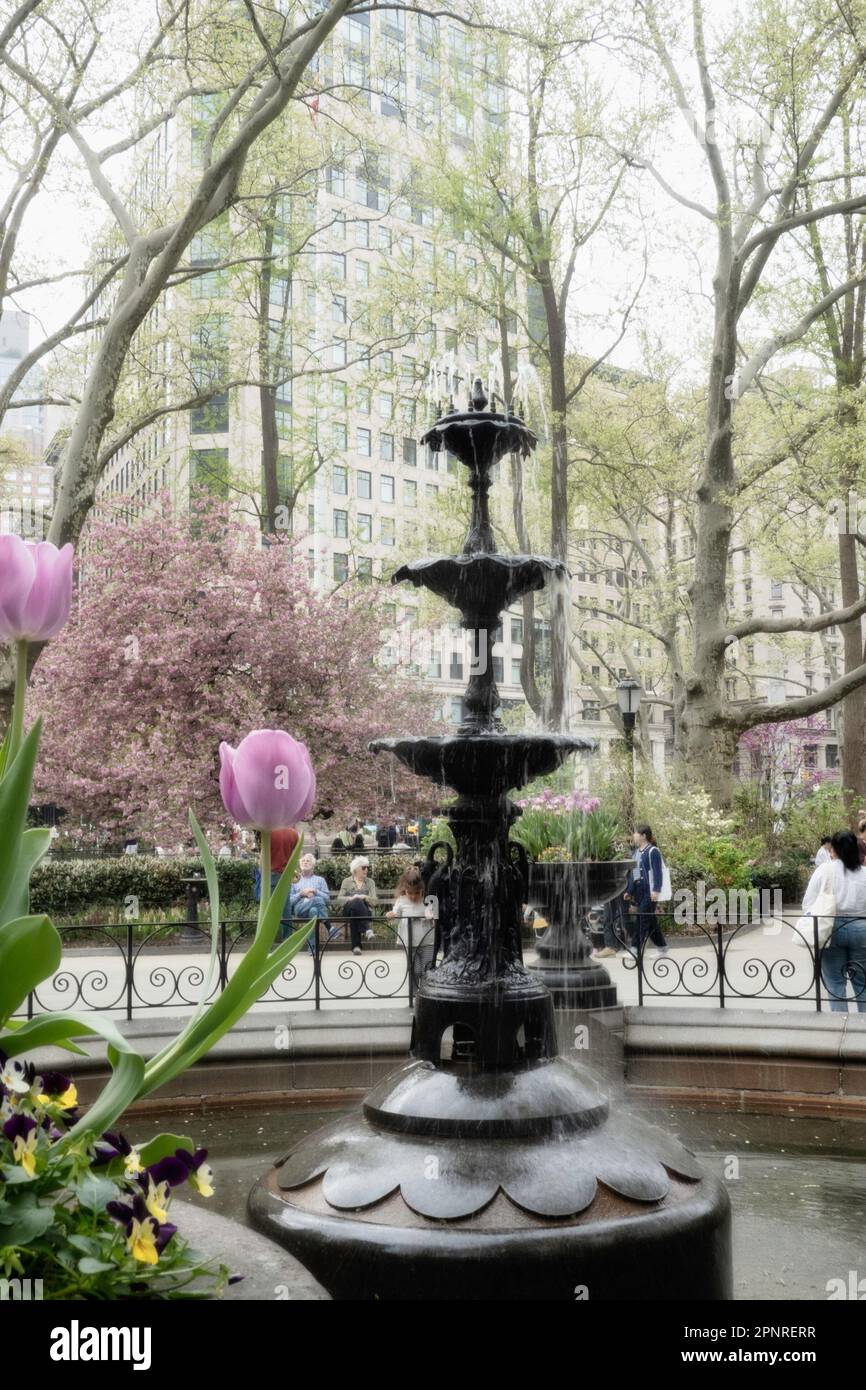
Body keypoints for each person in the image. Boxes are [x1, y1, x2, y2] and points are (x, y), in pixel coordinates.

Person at [803, 829, 866, 1012]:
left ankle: (840, 1025)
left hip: (830, 928)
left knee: (835, 982)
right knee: (862, 982)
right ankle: (863, 1027)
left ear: (834, 850)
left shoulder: (824, 870)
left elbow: (808, 902)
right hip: (861, 928)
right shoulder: (864, 873)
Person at [386, 866, 435, 986]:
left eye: (417, 893)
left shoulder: (429, 899)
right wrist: (391, 915)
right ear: (404, 889)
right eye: (410, 893)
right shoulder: (401, 901)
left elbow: (436, 921)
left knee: (427, 970)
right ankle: (413, 995)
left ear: (422, 889)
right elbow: (396, 919)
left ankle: (425, 994)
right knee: (414, 969)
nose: (413, 896)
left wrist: (433, 916)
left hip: (428, 941)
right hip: (409, 942)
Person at [624, 824, 668, 954]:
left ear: (643, 836)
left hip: (650, 892)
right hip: (639, 891)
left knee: (642, 920)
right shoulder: (636, 852)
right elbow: (634, 874)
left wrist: (656, 890)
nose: (634, 835)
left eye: (636, 833)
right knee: (650, 922)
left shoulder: (653, 851)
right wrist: (629, 891)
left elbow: (658, 872)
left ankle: (635, 949)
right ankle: (662, 948)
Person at [253, 826, 299, 942]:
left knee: (267, 909)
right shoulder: (293, 834)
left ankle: (265, 941)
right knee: (285, 909)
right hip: (285, 875)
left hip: (270, 873)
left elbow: (263, 856)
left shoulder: (268, 831)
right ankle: (287, 940)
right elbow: (295, 855)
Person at [289, 852, 336, 954]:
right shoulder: (294, 879)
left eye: (308, 861)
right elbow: (290, 901)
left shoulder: (320, 880)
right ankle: (329, 927)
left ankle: (313, 948)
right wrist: (301, 893)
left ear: (313, 865)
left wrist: (315, 891)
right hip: (300, 908)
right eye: (303, 861)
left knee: (314, 911)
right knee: (318, 900)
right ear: (300, 864)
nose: (305, 862)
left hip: (314, 909)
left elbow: (327, 900)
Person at [336, 856, 379, 954]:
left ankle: (356, 947)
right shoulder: (346, 881)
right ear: (356, 869)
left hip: (363, 912)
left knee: (354, 912)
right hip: (348, 909)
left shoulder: (370, 882)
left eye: (367, 867)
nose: (366, 870)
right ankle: (367, 929)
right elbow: (339, 899)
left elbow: (374, 901)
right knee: (355, 902)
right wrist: (351, 898)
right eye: (363, 867)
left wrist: (364, 897)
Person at [595, 890, 629, 958]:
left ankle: (610, 947)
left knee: (609, 918)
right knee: (613, 918)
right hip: (616, 888)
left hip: (612, 889)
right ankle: (612, 947)